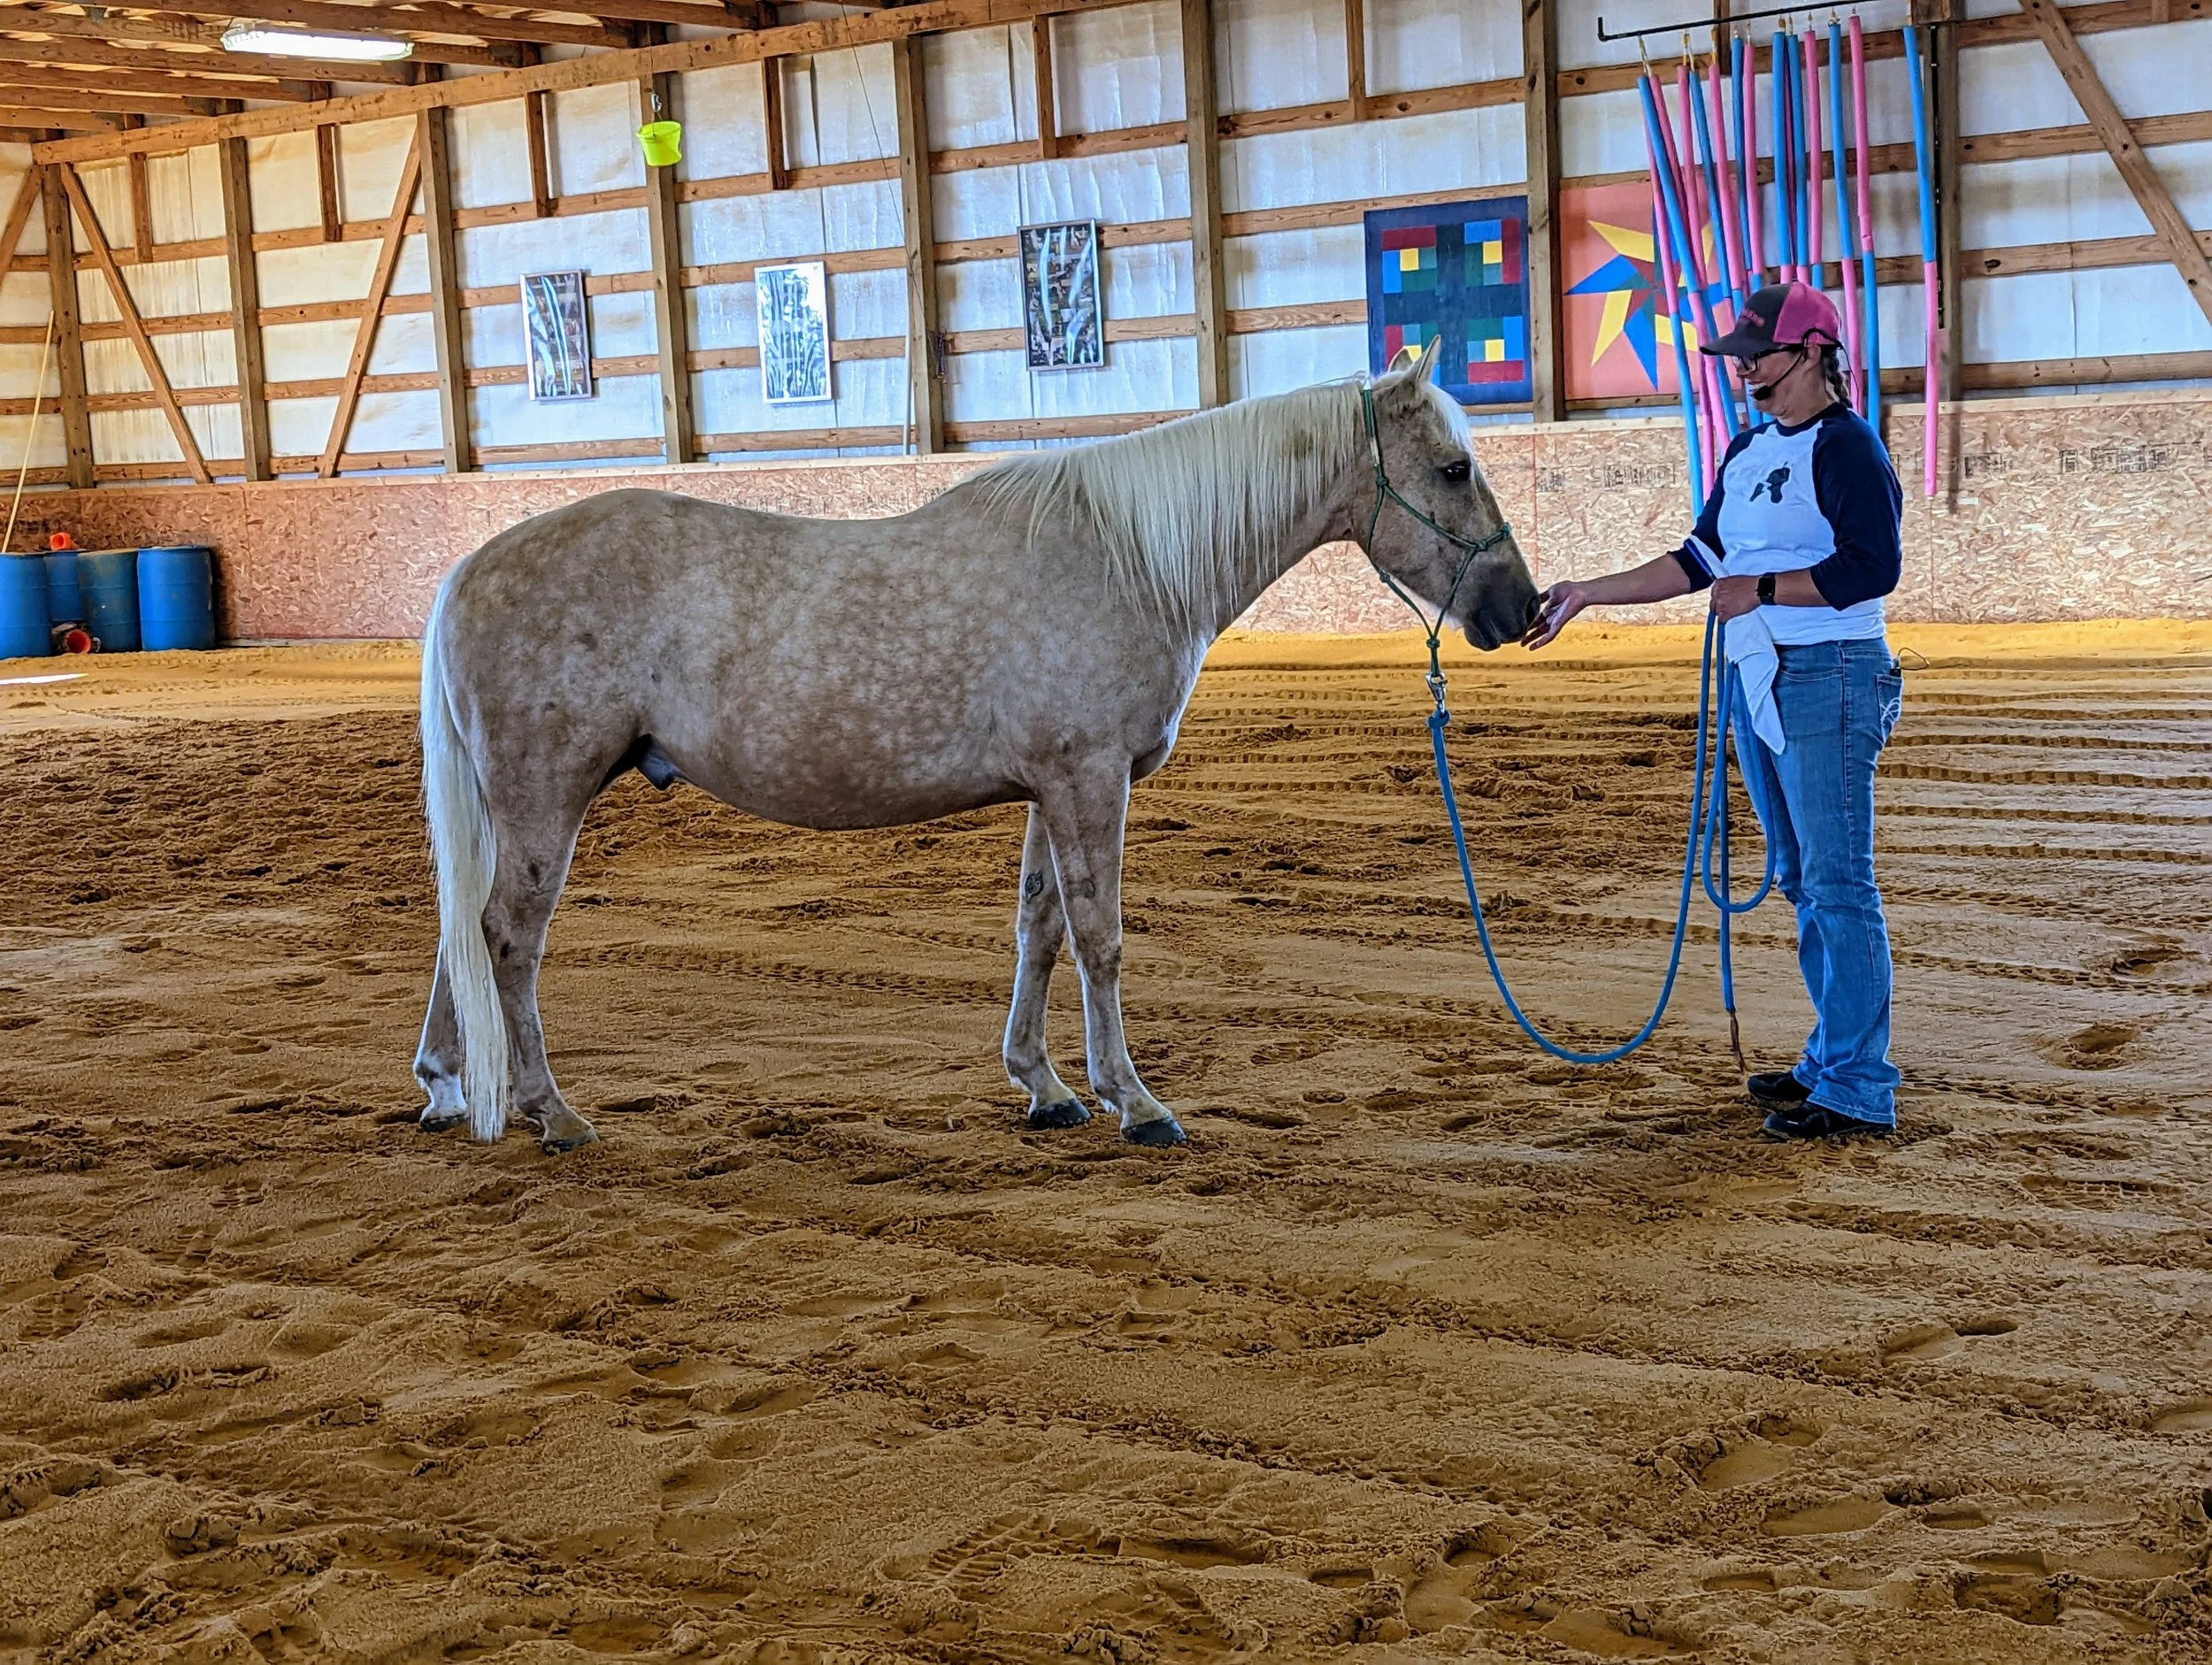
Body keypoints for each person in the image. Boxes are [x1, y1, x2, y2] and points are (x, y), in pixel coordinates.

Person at [1520, 282, 1905, 1140]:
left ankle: (1857, 1085)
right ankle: (1832, 1058)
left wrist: (1761, 588)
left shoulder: (1847, 449)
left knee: (1838, 883)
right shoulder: (1746, 450)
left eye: (1758, 357)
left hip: (1830, 672)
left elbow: (1873, 567)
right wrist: (1590, 592)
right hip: (1760, 674)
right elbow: (1699, 558)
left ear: (1811, 352)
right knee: (1807, 879)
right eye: (1741, 361)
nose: (1747, 372)